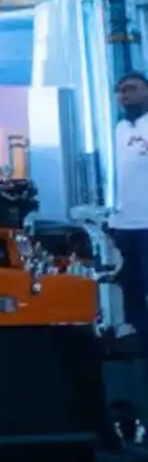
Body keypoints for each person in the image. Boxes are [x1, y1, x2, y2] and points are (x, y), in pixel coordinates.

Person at [113, 70, 148, 351]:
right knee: (131, 290)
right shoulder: (118, 130)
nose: (125, 95)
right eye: (122, 90)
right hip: (123, 225)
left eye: (132, 89)